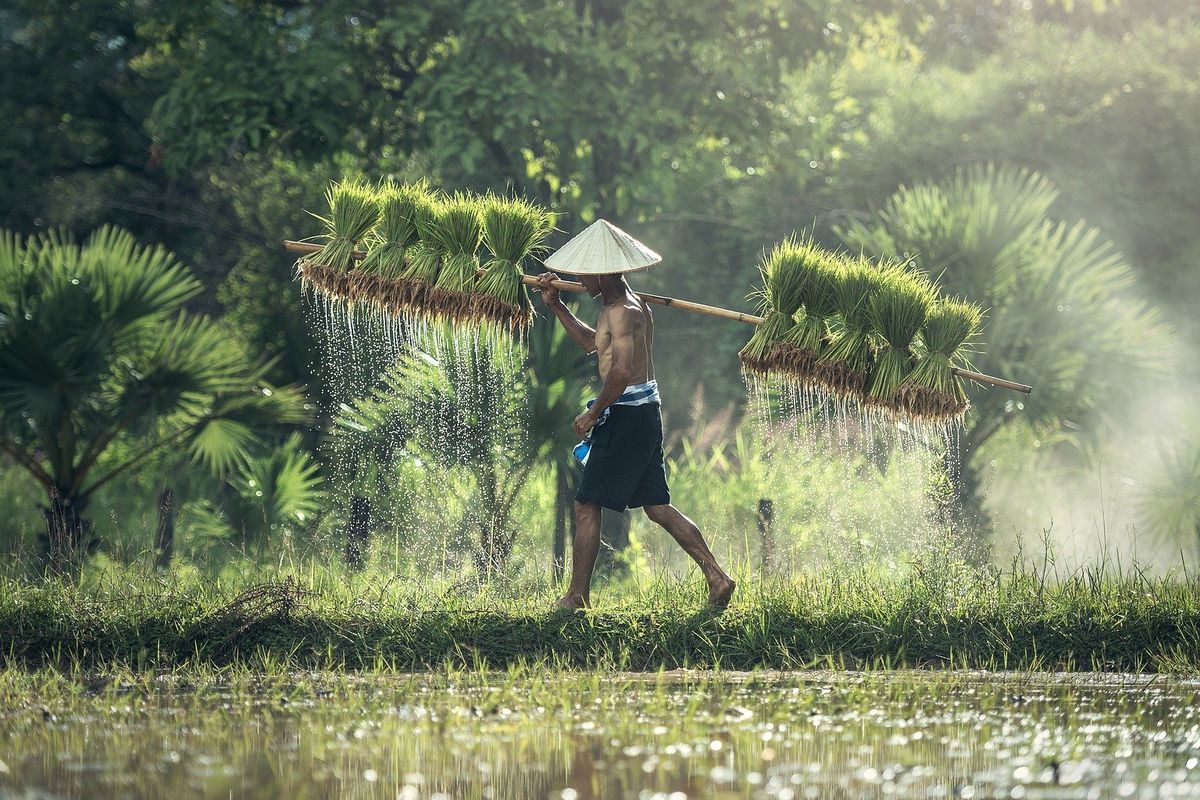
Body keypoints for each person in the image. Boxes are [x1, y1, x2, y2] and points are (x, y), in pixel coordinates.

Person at [535, 268, 736, 610]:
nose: (581, 281)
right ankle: (718, 577)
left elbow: (622, 372)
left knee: (586, 505)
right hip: (643, 413)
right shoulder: (630, 305)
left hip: (627, 416)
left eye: (586, 275)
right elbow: (592, 344)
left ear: (604, 273)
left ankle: (576, 597)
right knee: (657, 507)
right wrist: (556, 305)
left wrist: (593, 413)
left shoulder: (623, 310)